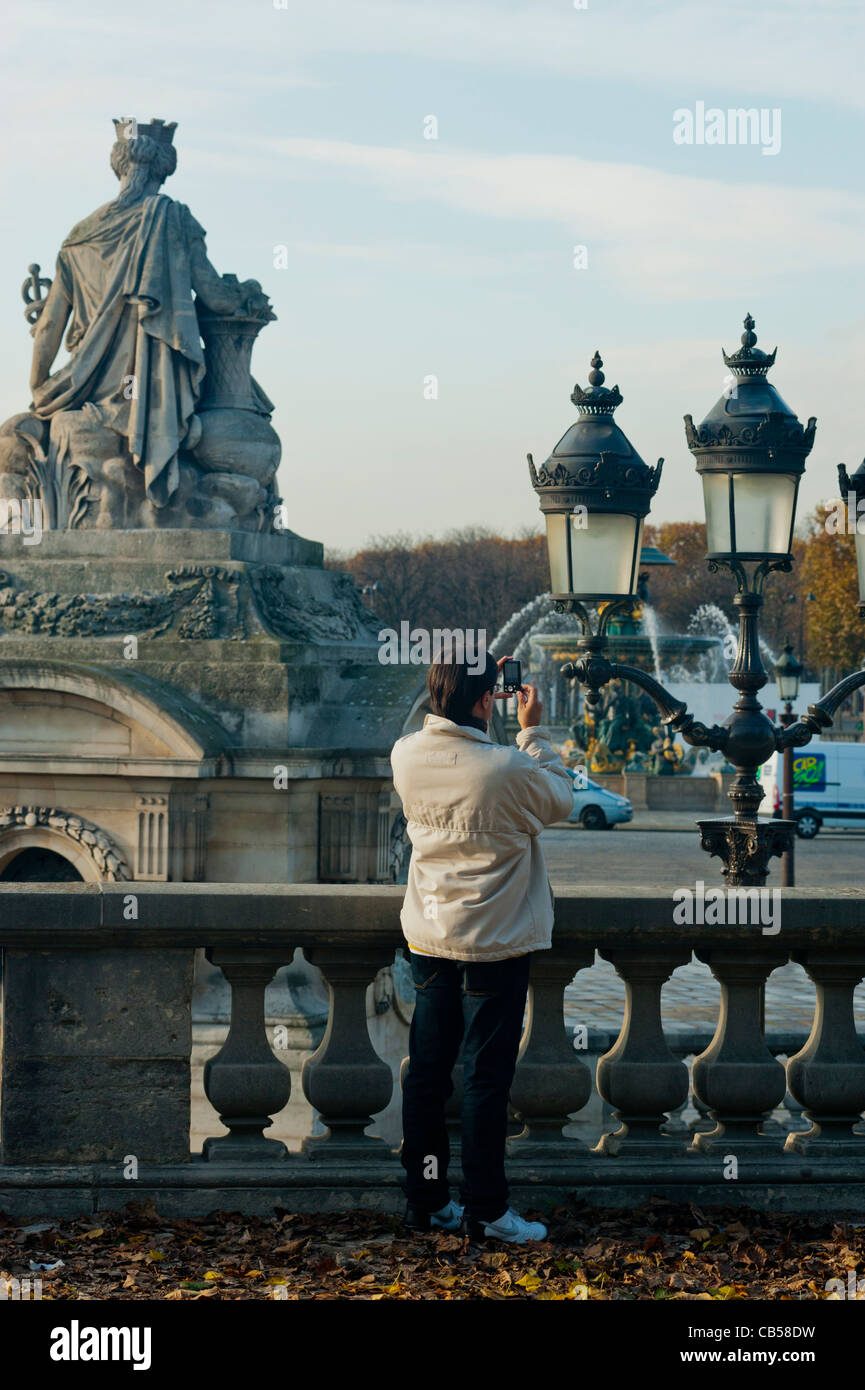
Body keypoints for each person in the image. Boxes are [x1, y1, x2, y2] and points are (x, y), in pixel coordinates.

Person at [390, 651, 574, 1244]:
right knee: (484, 1080)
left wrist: (477, 697)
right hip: (494, 942)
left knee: (427, 1075)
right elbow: (560, 800)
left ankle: (426, 1200)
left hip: (430, 935)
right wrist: (533, 731)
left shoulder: (405, 755)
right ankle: (487, 1209)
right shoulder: (506, 766)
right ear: (482, 701)